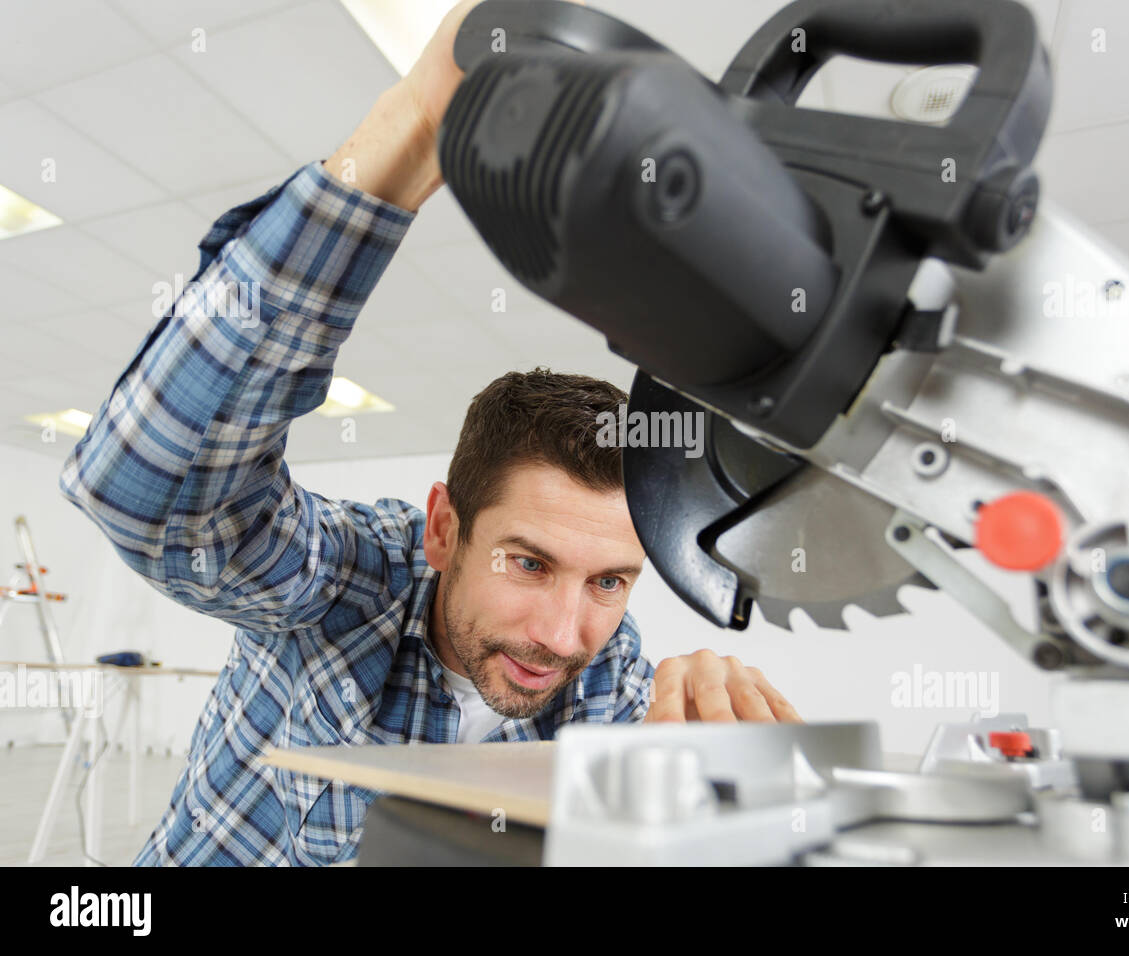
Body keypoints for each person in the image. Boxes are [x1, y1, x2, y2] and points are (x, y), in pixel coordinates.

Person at [56, 0, 799, 866]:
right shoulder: (342, 584)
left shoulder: (607, 671)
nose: (563, 634)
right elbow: (152, 499)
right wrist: (410, 128)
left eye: (610, 581)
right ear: (444, 528)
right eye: (528, 562)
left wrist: (708, 752)